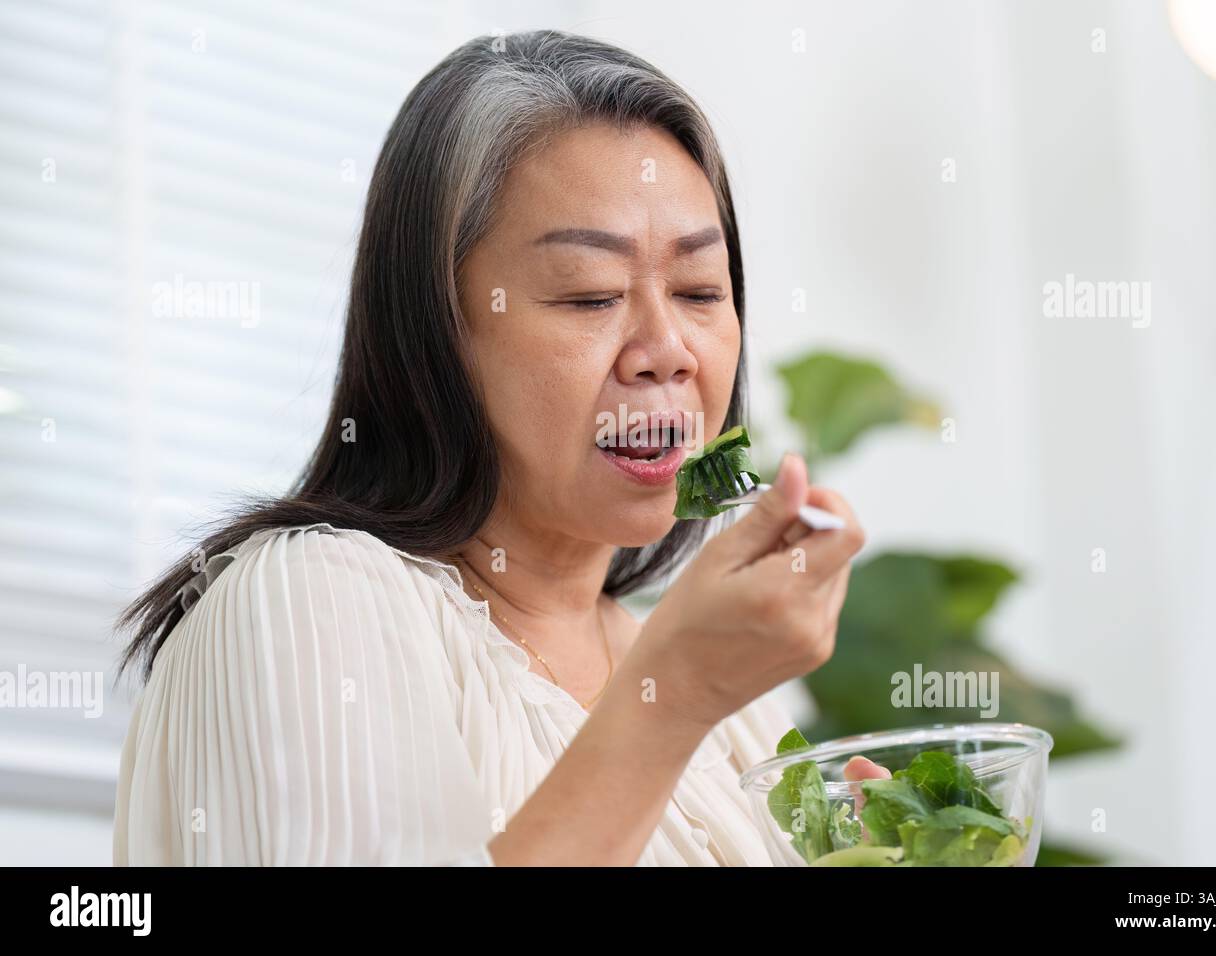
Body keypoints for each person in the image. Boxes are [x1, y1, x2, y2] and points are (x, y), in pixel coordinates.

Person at [112, 29, 872, 867]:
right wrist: (671, 701)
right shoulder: (302, 600)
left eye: (700, 290)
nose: (669, 347)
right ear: (437, 329)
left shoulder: (740, 720)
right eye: (591, 296)